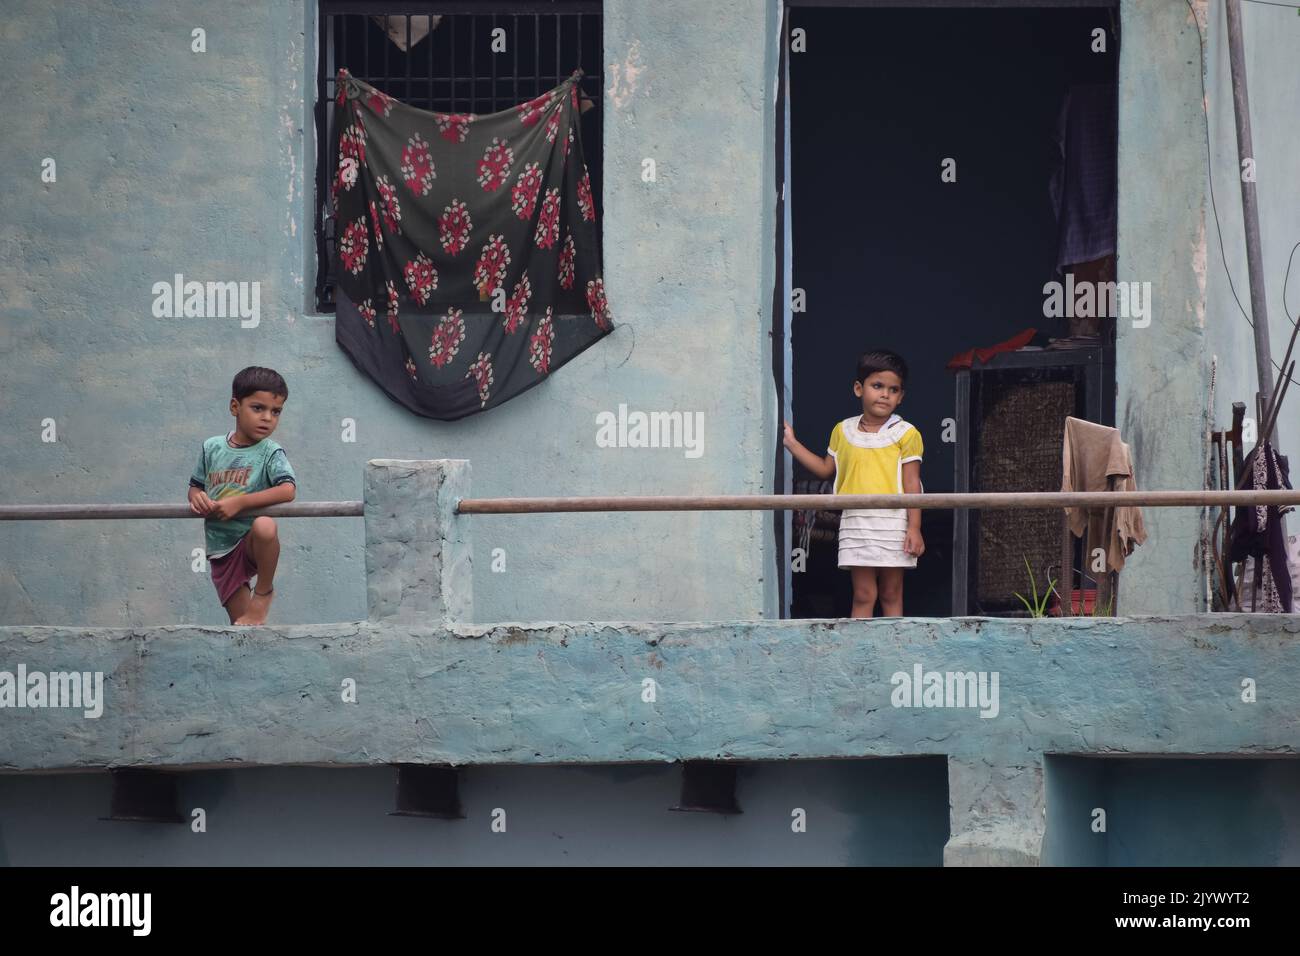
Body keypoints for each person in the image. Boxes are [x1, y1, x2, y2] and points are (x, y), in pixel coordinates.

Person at [783, 349, 925, 618]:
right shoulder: (843, 430)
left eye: (893, 389)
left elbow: (911, 483)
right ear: (859, 389)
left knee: (891, 593)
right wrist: (791, 443)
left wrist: (914, 528)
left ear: (901, 397)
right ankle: (860, 657)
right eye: (877, 386)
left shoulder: (907, 434)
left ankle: (893, 653)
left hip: (894, 523)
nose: (885, 394)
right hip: (855, 522)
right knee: (863, 594)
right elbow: (826, 469)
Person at [187, 367, 297, 625]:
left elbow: (288, 490)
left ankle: (264, 592)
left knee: (265, 525)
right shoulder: (211, 447)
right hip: (221, 548)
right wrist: (197, 497)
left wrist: (239, 503)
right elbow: (195, 486)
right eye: (258, 408)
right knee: (244, 628)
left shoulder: (270, 451)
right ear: (235, 406)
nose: (267, 418)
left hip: (251, 541)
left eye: (276, 411)